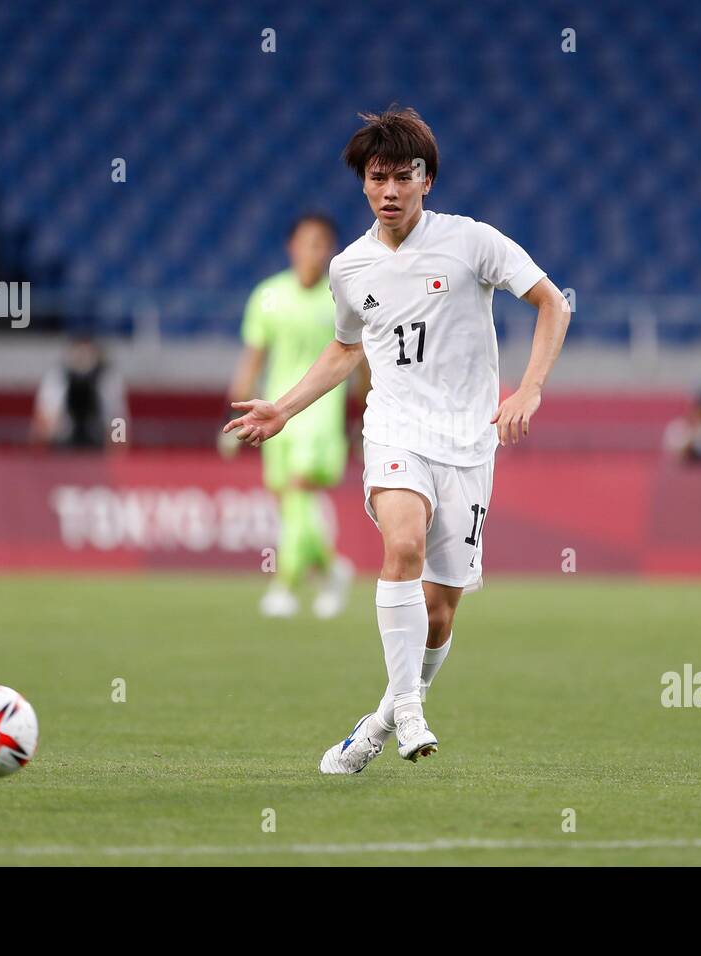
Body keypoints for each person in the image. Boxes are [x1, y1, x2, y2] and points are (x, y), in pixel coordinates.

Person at [225, 106, 570, 772]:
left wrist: (528, 390)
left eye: (402, 177)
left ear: (427, 180)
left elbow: (552, 302)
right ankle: (410, 710)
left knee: (439, 616)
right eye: (377, 177)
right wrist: (286, 408)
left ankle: (381, 720)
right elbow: (345, 349)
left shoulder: (471, 243)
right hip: (396, 429)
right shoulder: (350, 268)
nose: (389, 190)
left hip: (469, 443)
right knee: (402, 542)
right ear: (363, 184)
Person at [223, 213, 362, 619]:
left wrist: (365, 412)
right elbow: (254, 356)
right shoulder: (269, 296)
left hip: (321, 415)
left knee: (300, 489)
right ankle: (333, 569)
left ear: (331, 251)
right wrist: (236, 407)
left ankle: (283, 586)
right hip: (275, 413)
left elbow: (358, 358)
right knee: (290, 501)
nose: (313, 251)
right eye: (306, 242)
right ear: (292, 247)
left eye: (321, 243)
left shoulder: (341, 298)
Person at [30, 335, 128, 450]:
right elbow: (44, 417)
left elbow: (117, 416)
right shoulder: (57, 377)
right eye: (79, 351)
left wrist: (118, 447)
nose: (83, 356)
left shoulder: (108, 378)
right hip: (62, 443)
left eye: (87, 352)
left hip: (97, 443)